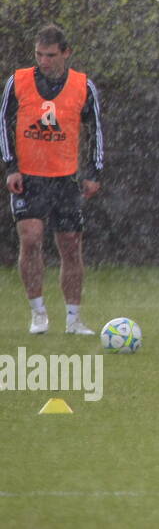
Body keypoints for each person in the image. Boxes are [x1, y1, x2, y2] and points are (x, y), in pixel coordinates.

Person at [2, 24, 104, 335]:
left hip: (66, 179)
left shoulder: (83, 86)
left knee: (71, 246)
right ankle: (38, 313)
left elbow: (97, 131)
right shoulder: (18, 81)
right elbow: (3, 122)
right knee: (31, 239)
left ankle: (73, 319)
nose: (43, 61)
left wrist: (94, 172)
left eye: (50, 55)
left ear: (66, 53)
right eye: (39, 55)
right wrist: (11, 166)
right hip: (29, 177)